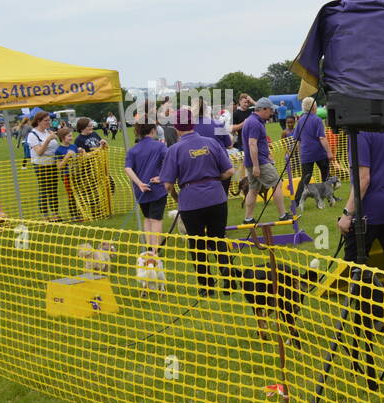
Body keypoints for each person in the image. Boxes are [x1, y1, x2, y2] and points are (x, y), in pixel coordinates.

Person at [154, 113, 235, 294]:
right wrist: (213, 179)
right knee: (218, 239)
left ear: (176, 128)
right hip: (216, 197)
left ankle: (207, 286)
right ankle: (228, 279)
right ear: (194, 125)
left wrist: (177, 197)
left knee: (197, 244)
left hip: (191, 200)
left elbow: (167, 184)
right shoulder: (212, 143)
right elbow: (230, 171)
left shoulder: (174, 150)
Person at [337, 128, 384, 284]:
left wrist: (347, 214)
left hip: (370, 212)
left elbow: (363, 179)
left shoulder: (359, 133)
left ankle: (366, 307)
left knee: (354, 265)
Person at [239, 97, 291, 224]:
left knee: (253, 189)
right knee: (277, 183)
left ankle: (248, 218)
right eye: (270, 110)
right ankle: (283, 215)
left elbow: (258, 143)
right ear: (263, 109)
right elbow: (252, 144)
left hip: (254, 161)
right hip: (258, 162)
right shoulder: (255, 123)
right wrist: (256, 166)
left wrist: (267, 154)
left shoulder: (252, 121)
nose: (272, 113)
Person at [124, 122, 168, 251]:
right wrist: (162, 176)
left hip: (141, 190)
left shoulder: (133, 150)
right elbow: (171, 161)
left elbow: (128, 168)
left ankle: (150, 247)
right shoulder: (160, 146)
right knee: (156, 219)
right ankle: (155, 250)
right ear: (153, 130)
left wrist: (139, 183)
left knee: (148, 218)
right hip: (157, 189)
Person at [292, 96, 333, 205]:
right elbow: (322, 138)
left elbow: (297, 140)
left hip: (306, 154)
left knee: (305, 178)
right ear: (314, 107)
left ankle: (296, 201)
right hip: (319, 153)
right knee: (326, 176)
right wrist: (329, 152)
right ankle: (330, 197)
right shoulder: (317, 119)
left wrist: (300, 152)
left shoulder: (300, 121)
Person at [25, 110, 62, 220]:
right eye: (46, 120)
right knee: (45, 190)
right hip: (41, 166)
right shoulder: (32, 135)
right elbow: (39, 152)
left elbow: (55, 148)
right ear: (38, 121)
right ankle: (45, 216)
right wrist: (48, 140)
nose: (49, 122)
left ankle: (55, 214)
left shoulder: (48, 132)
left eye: (49, 120)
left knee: (53, 190)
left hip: (52, 164)